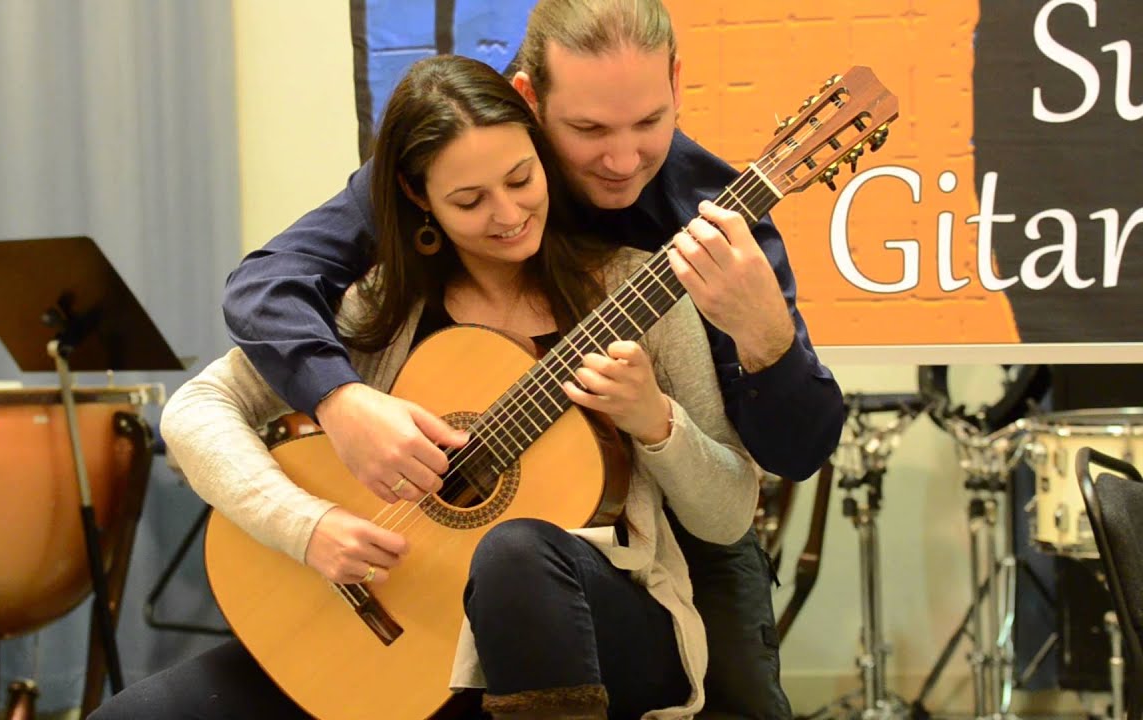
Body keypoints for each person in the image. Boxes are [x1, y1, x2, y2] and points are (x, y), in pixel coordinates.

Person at [222, 1, 844, 716]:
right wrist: (341, 402)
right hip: (432, 572)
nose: (621, 158)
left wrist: (763, 338)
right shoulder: (459, 153)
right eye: (587, 129)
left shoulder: (709, 217)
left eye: (649, 123)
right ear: (529, 99)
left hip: (651, 545)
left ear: (677, 82)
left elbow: (790, 456)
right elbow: (260, 290)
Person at [93, 54, 758, 720]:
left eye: (522, 178)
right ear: (419, 197)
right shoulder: (383, 307)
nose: (508, 214)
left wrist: (655, 421)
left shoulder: (638, 292)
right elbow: (195, 409)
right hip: (402, 632)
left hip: (596, 628)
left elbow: (726, 516)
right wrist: (308, 525)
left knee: (515, 552)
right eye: (469, 200)